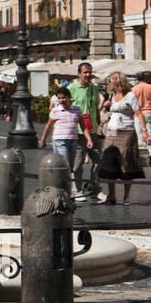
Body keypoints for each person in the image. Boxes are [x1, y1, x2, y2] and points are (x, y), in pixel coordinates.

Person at [97, 71, 148, 205]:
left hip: (126, 132)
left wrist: (144, 131)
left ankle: (126, 196)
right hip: (112, 131)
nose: (108, 84)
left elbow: (139, 114)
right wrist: (104, 118)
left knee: (126, 162)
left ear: (116, 82)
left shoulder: (130, 96)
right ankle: (112, 195)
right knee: (109, 162)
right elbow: (110, 113)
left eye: (110, 81)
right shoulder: (112, 95)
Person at [38, 86, 95, 185]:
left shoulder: (77, 110)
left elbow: (83, 126)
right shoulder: (56, 111)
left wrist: (89, 139)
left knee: (70, 166)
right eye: (59, 98)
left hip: (73, 140)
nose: (61, 100)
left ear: (69, 97)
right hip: (60, 140)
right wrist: (43, 139)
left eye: (63, 97)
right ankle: (64, 187)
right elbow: (48, 126)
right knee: (65, 164)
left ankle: (63, 186)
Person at [67, 61, 103, 202]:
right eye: (85, 72)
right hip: (78, 131)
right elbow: (65, 108)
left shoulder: (94, 88)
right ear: (79, 74)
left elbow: (95, 108)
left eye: (90, 72)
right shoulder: (72, 88)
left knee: (99, 160)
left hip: (93, 129)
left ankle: (94, 188)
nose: (88, 75)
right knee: (78, 163)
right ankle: (77, 189)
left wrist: (99, 124)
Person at [132, 71, 151, 167]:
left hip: (138, 114)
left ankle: (140, 155)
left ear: (137, 79)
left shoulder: (134, 89)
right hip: (149, 113)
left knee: (139, 134)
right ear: (145, 78)